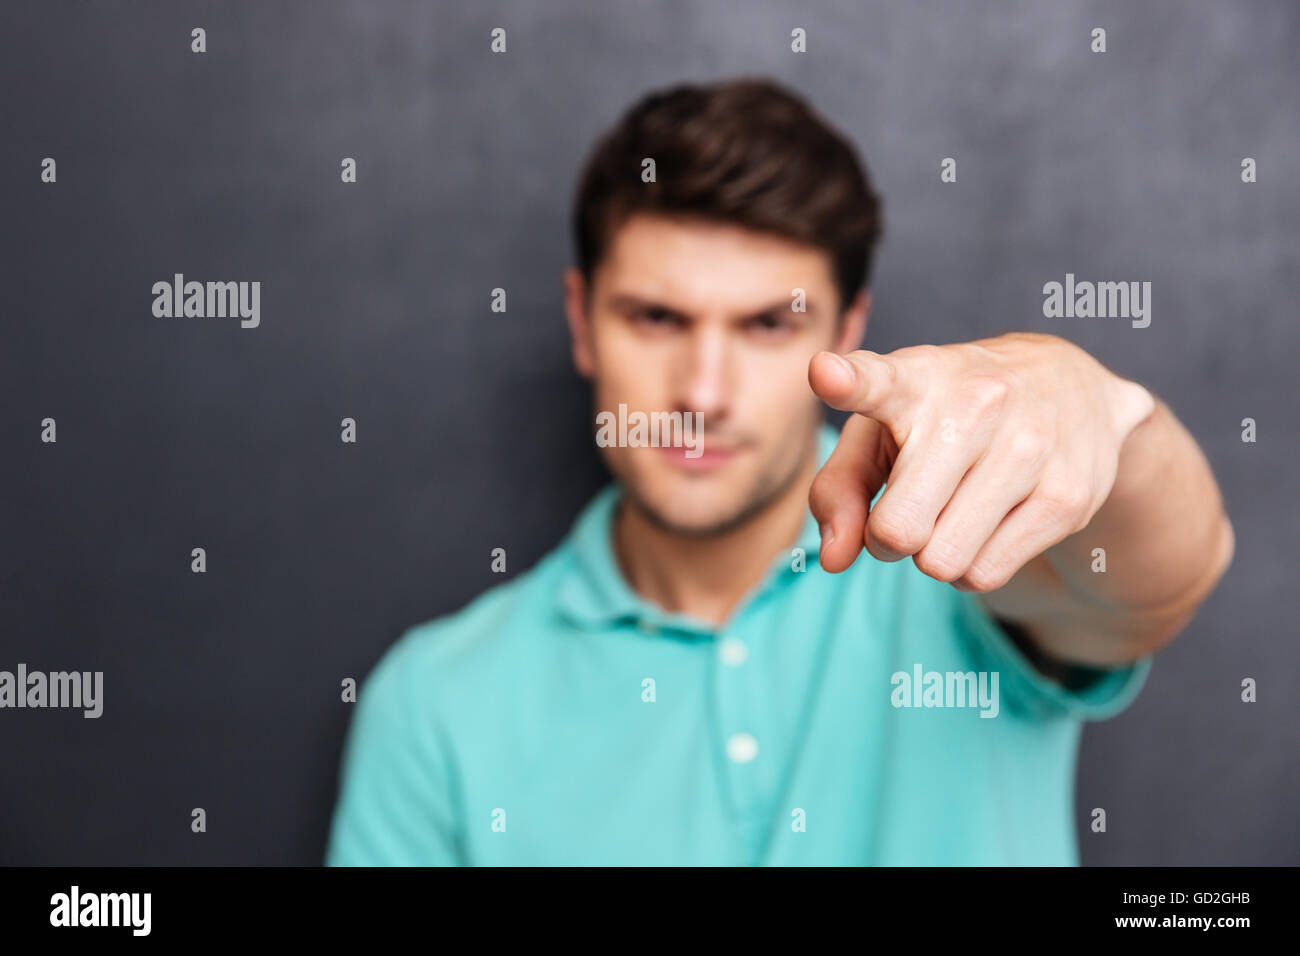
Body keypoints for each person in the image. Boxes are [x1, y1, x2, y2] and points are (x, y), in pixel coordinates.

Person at [325, 77, 1233, 866]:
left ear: (844, 332)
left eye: (767, 325)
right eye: (654, 317)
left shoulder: (954, 557)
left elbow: (1164, 583)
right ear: (581, 321)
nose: (702, 394)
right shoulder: (436, 703)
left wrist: (1110, 416)